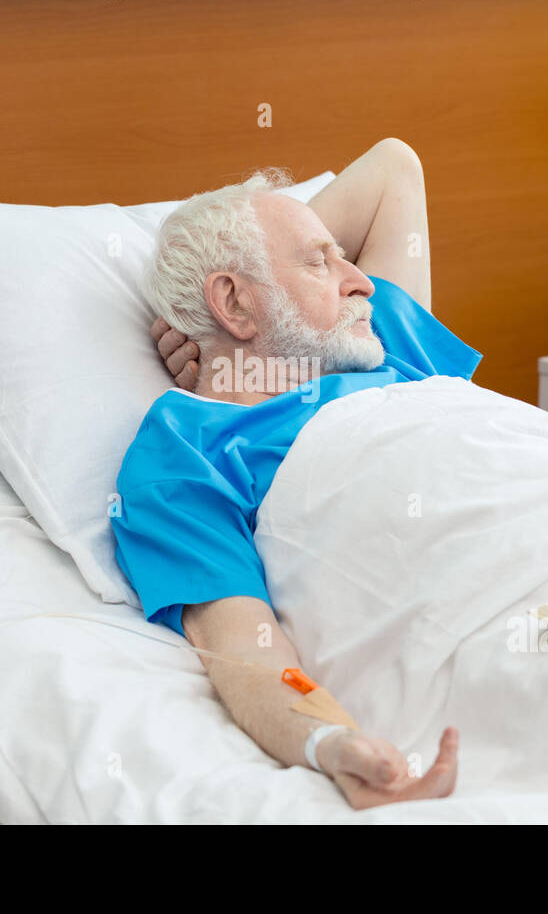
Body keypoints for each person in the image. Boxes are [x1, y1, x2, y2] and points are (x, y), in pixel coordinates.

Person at [112, 139, 475, 810]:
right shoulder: (184, 454)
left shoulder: (378, 343)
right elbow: (238, 642)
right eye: (322, 261)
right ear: (234, 302)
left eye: (343, 256)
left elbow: (396, 164)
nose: (360, 280)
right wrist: (329, 743)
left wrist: (283, 265)